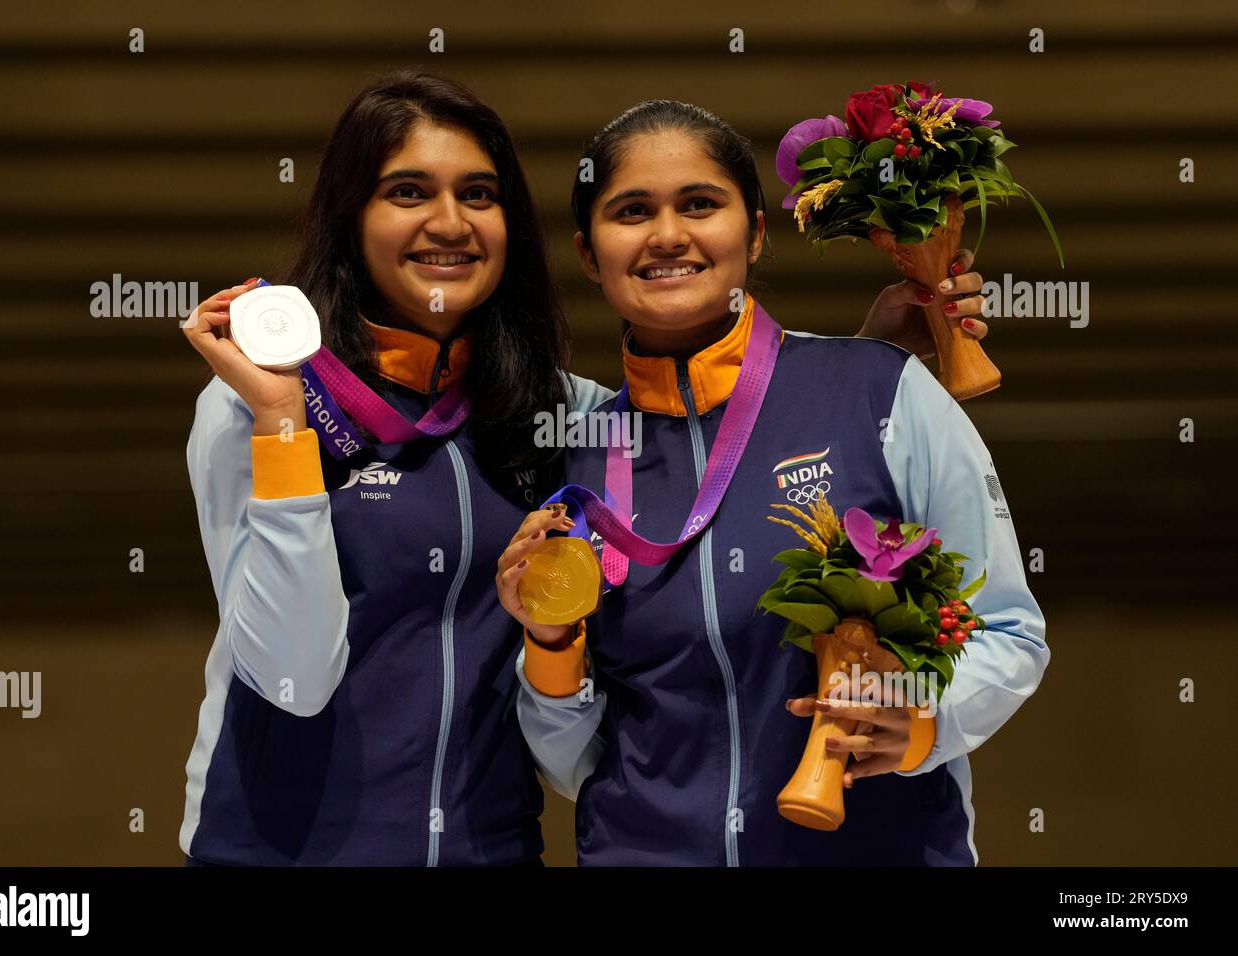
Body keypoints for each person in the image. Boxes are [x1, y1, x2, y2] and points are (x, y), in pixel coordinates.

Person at [496, 99, 1047, 866]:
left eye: (699, 204)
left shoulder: (878, 389)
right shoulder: (586, 460)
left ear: (754, 232)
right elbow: (573, 763)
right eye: (631, 211)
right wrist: (549, 639)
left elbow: (1009, 632)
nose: (667, 235)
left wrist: (922, 720)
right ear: (590, 254)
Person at [178, 69, 613, 865]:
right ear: (352, 217)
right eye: (408, 192)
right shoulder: (251, 405)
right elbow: (292, 678)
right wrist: (283, 423)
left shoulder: (571, 416)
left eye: (479, 194)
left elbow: (574, 748)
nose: (451, 223)